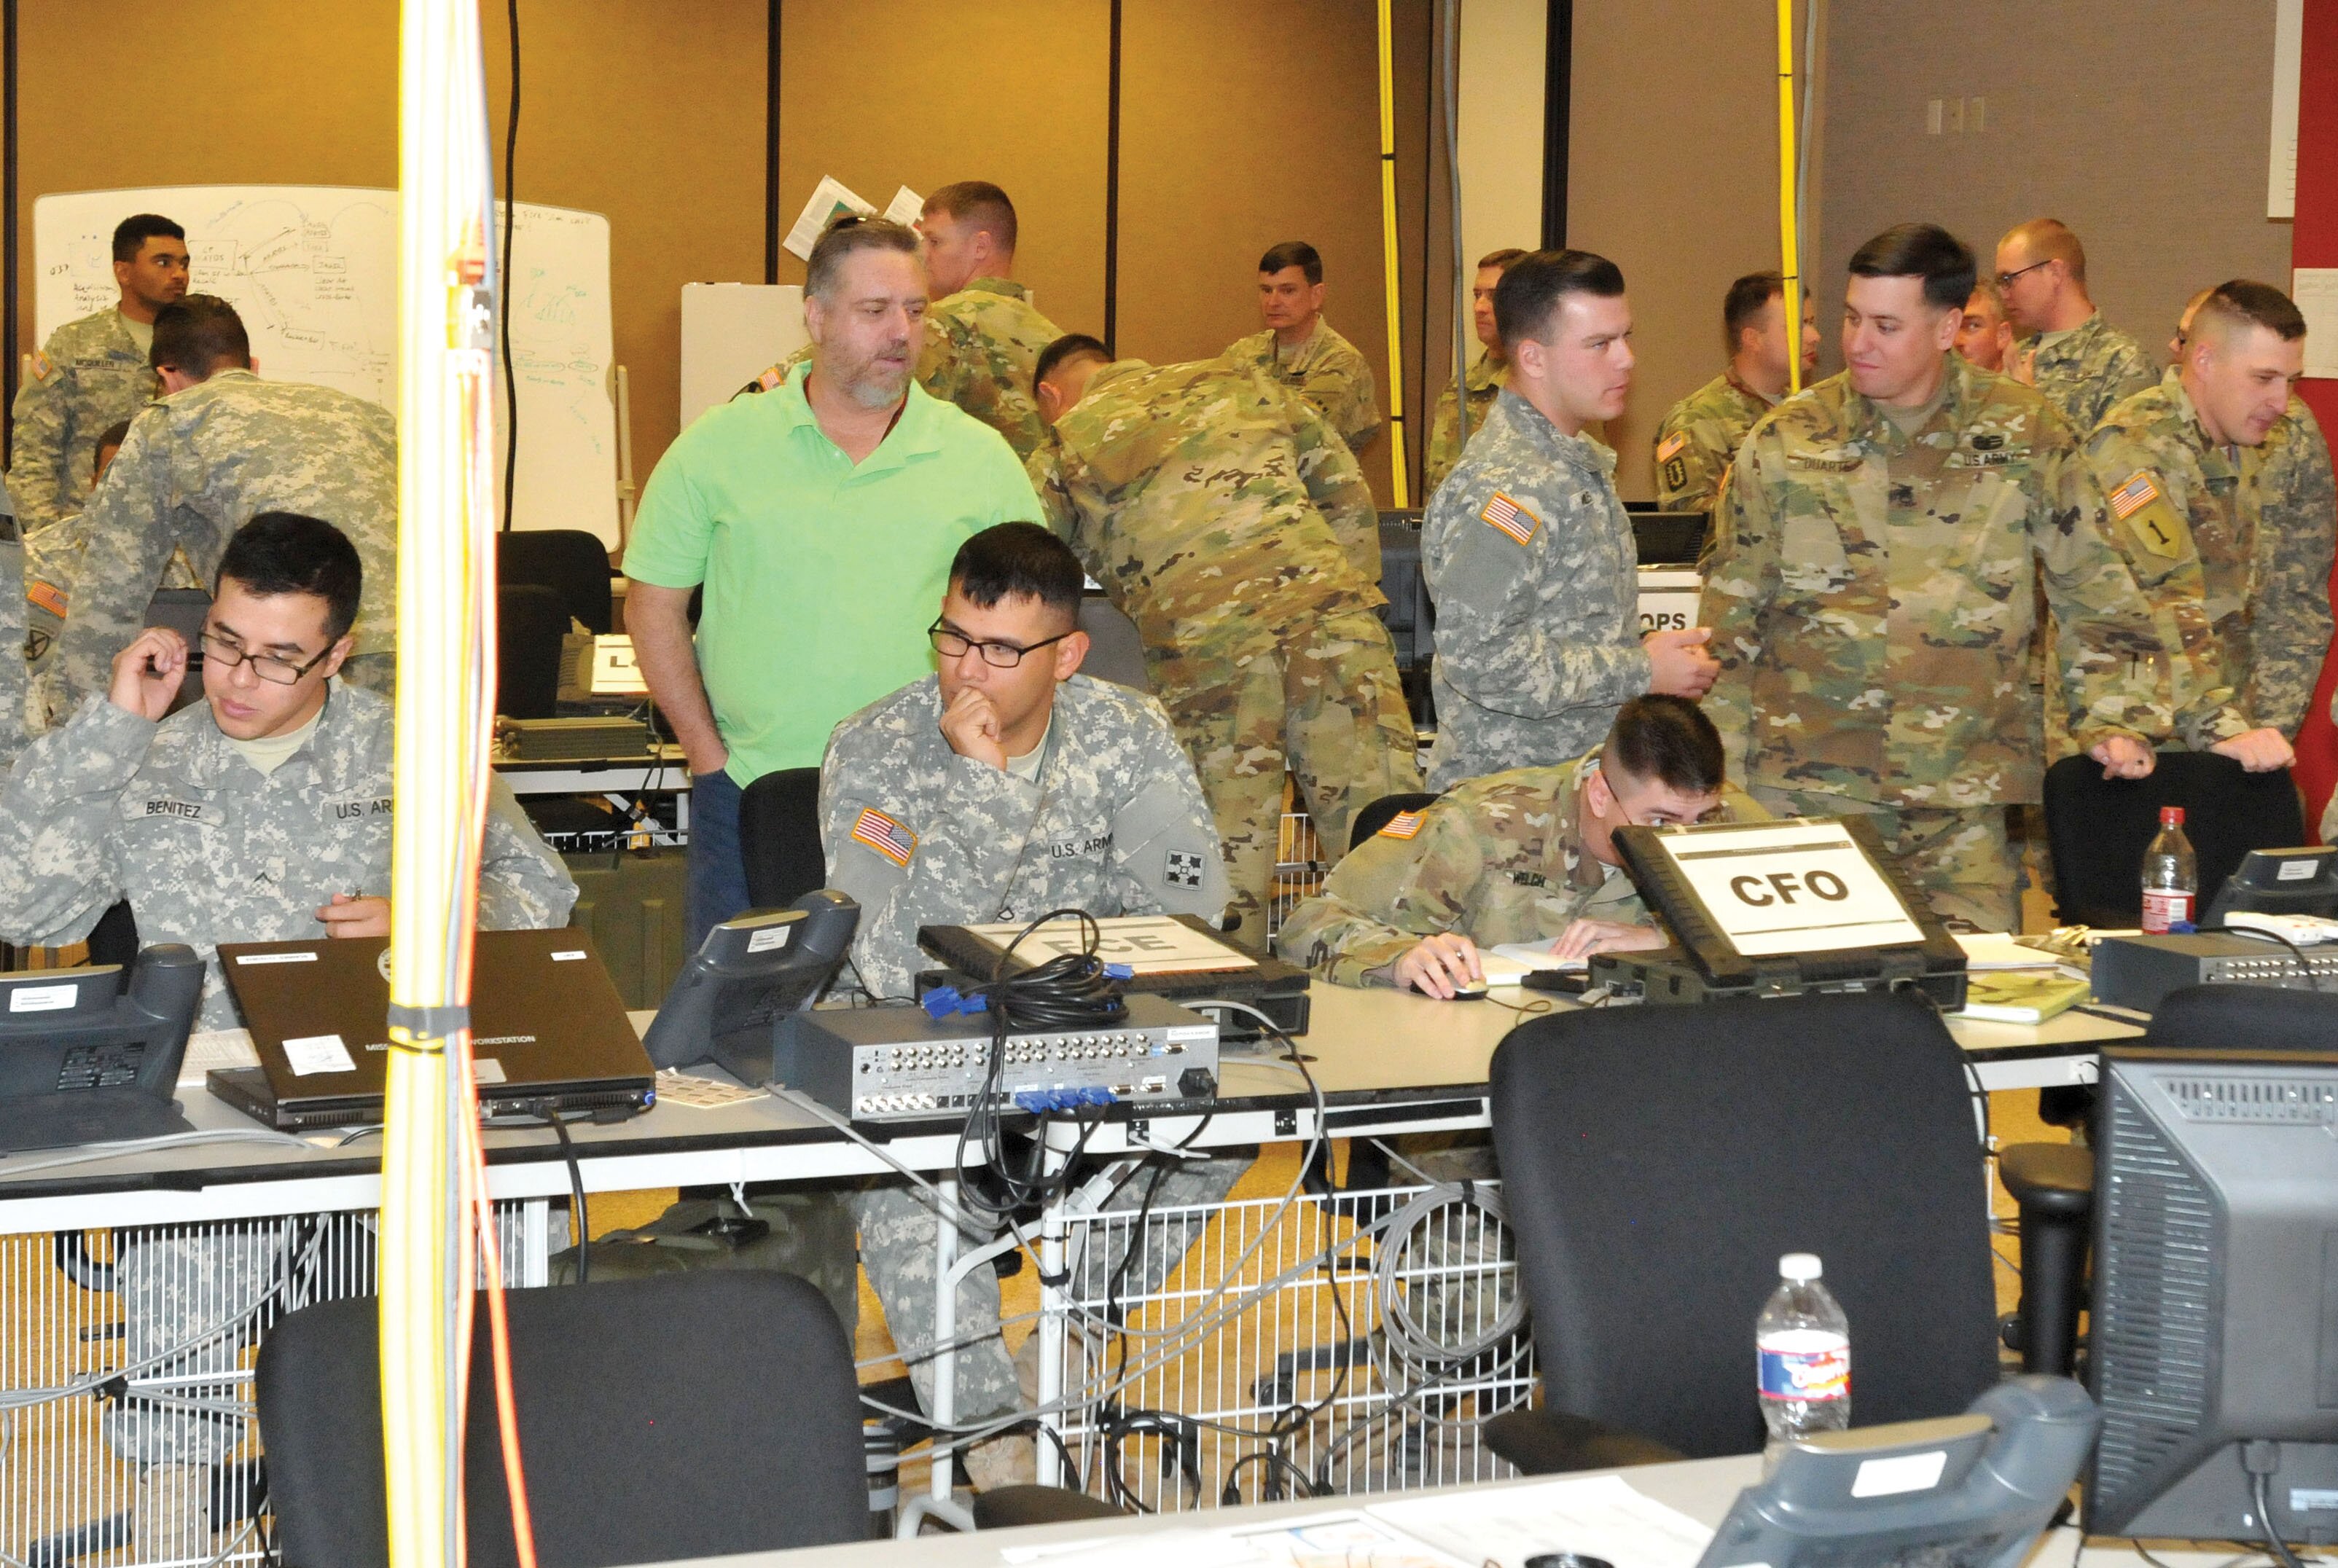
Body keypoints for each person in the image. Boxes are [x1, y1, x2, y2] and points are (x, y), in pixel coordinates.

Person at [818, 522, 1237, 1488]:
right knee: (906, 1198)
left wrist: (1060, 977)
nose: (968, 670)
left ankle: (1067, 1343)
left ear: (1068, 656)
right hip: (921, 1055)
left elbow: (1188, 913)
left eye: (1002, 650)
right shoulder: (878, 749)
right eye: (954, 635)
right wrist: (983, 789)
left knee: (1225, 1116)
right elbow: (891, 961)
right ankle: (999, 1457)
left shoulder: (1127, 733)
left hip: (1086, 1047)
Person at [1700, 223, 2170, 932]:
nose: (1858, 342)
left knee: (1973, 1003)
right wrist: (1716, 789)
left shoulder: (2025, 435)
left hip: (1960, 810)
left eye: (1886, 325)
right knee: (1806, 1010)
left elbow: (2096, 587)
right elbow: (1728, 624)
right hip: (1804, 798)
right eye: (1852, 317)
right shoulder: (1788, 440)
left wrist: (2116, 714)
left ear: (1948, 325)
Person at [628, 216, 1039, 949]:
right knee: (742, 1026)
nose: (901, 333)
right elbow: (653, 604)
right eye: (874, 311)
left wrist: (993, 752)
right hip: (754, 787)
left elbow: (1031, 628)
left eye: (915, 311)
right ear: (815, 316)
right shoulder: (719, 446)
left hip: (931, 787)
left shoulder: (979, 459)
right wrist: (705, 752)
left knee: (924, 1017)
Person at [0, 511, 577, 1028]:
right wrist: (111, 733)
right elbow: (23, 916)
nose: (240, 680)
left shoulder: (416, 752)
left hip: (373, 1069)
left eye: (279, 660)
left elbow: (544, 887)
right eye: (225, 644)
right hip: (194, 1078)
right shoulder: (143, 756)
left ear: (335, 657)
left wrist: (429, 932)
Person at [1028, 333, 1420, 943]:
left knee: (1222, 871)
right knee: (1387, 843)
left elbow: (1031, 573)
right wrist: (1338, 593)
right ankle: (1413, 992)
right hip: (1335, 627)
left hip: (1209, 656)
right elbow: (1343, 488)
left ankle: (1232, 1013)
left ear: (1050, 395)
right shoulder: (1244, 379)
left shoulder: (1063, 439)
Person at [1422, 249, 1717, 791]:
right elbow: (1481, 659)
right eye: (1600, 344)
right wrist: (1641, 670)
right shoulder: (1512, 487)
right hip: (1512, 808)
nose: (1626, 359)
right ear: (1533, 358)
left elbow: (1572, 625)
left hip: (1569, 790)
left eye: (1626, 337)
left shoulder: (1570, 464)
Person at [44, 296, 399, 716]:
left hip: (286, 662)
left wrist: (74, 726)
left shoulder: (171, 422)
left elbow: (109, 593)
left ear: (167, 376)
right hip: (416, 649)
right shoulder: (365, 416)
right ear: (250, 363)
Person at [1276, 695, 1764, 993]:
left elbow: (1826, 932)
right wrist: (1398, 958)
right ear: (1599, 793)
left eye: (1697, 820)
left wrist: (1670, 941)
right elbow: (1306, 925)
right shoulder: (1481, 824)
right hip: (1479, 1078)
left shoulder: (1721, 816)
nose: (1679, 838)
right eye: (1658, 821)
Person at [2083, 281, 2333, 772]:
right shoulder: (2135, 449)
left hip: (2219, 725)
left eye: (2291, 380)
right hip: (2137, 738)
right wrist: (2222, 725)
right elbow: (2158, 601)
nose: (2282, 402)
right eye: (2263, 379)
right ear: (2203, 361)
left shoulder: (2249, 443)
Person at [738, 184, 1064, 461]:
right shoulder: (1058, 343)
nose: (923, 255)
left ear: (980, 247)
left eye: (935, 242)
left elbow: (769, 394)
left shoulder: (944, 323)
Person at [4, 213, 186, 542]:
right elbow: (34, 453)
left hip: (177, 545)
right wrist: (51, 537)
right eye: (163, 262)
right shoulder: (74, 344)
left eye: (184, 263)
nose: (179, 275)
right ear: (123, 271)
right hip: (86, 537)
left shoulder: (201, 344)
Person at [1652, 270, 1821, 511]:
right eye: (1798, 326)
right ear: (1753, 339)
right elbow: (1693, 523)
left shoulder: (1811, 411)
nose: (1815, 337)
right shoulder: (1697, 421)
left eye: (1811, 323)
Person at [1993, 218, 2156, 433]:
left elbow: (2120, 462)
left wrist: (2036, 408)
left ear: (2055, 273)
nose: (2003, 293)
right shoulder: (2017, 357)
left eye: (2009, 279)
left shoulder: (2124, 363)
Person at [1224, 240, 1382, 454]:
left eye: (1287, 291)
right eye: (1266, 290)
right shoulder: (1244, 352)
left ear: (1316, 295)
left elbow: (1299, 435)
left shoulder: (1341, 363)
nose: (1273, 302)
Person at [26, 418, 129, 667]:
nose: (128, 493)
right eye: (113, 480)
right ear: (93, 485)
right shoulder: (37, 560)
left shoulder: (200, 565)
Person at [1423, 247, 1525, 496]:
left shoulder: (1547, 389)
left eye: (1493, 296)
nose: (1479, 307)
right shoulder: (1459, 387)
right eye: (1477, 295)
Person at [1954, 278, 2016, 373]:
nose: (1957, 341)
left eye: (1972, 326)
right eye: (1949, 328)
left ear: (2002, 335)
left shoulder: (2032, 384)